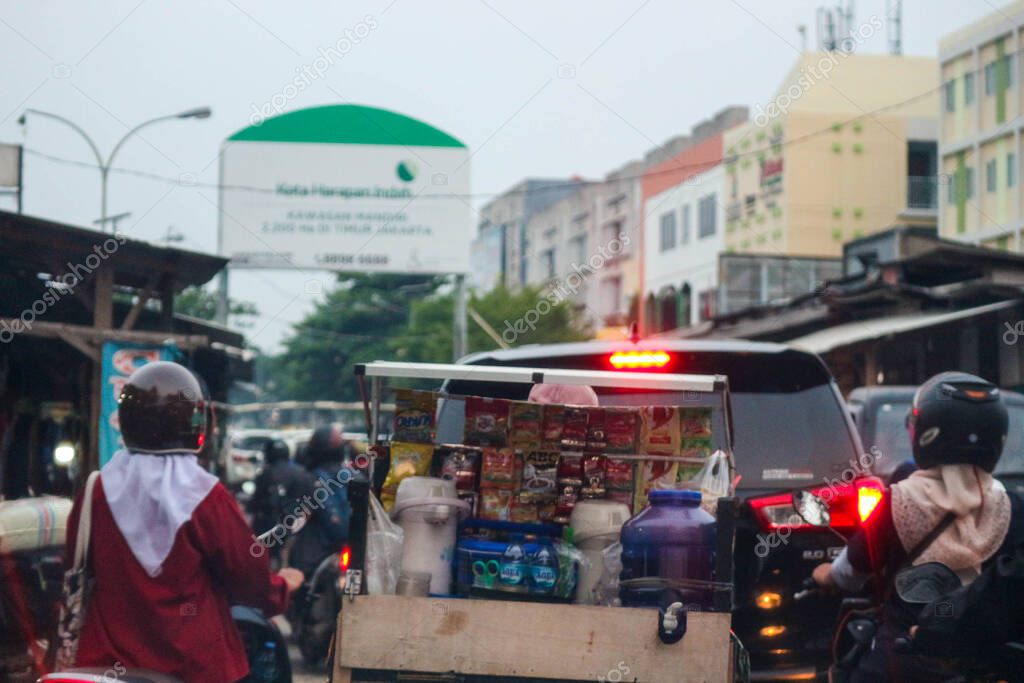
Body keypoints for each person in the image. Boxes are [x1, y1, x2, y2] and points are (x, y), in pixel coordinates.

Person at [64, 361, 303, 683]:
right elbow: (247, 578)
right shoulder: (205, 495)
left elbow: (75, 567)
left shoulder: (96, 489)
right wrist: (281, 587)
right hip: (194, 667)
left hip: (104, 664)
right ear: (198, 423)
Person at [812, 371, 1022, 682]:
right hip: (986, 659)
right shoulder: (1013, 506)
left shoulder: (898, 500)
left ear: (926, 432)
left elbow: (848, 573)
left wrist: (824, 574)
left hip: (908, 655)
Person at [288, 424, 353, 576]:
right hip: (353, 550)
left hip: (313, 557)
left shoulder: (307, 479)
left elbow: (295, 518)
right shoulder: (354, 476)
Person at [247, 438, 313, 539]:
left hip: (273, 530)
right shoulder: (303, 473)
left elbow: (256, 502)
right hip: (301, 532)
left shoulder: (266, 474)